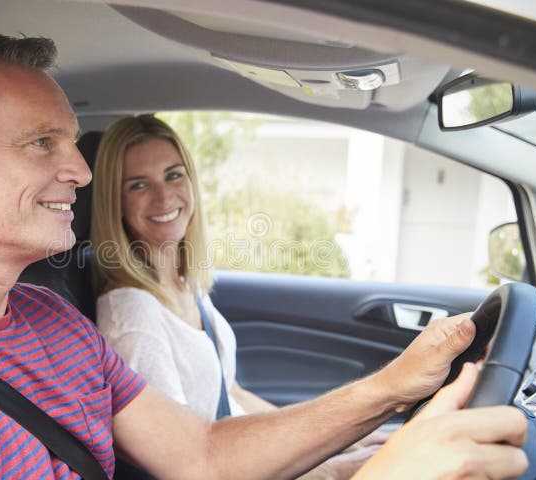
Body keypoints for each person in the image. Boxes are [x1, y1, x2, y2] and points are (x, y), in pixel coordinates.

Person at [0, 32, 528, 480]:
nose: (82, 174)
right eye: (41, 144)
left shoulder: (49, 318)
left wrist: (396, 387)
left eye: (71, 142)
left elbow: (204, 456)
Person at [91, 115, 388, 479]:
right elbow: (184, 461)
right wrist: (334, 470)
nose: (164, 196)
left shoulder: (187, 285)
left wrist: (341, 440)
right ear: (115, 202)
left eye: (173, 175)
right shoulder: (131, 313)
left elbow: (233, 392)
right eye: (138, 185)